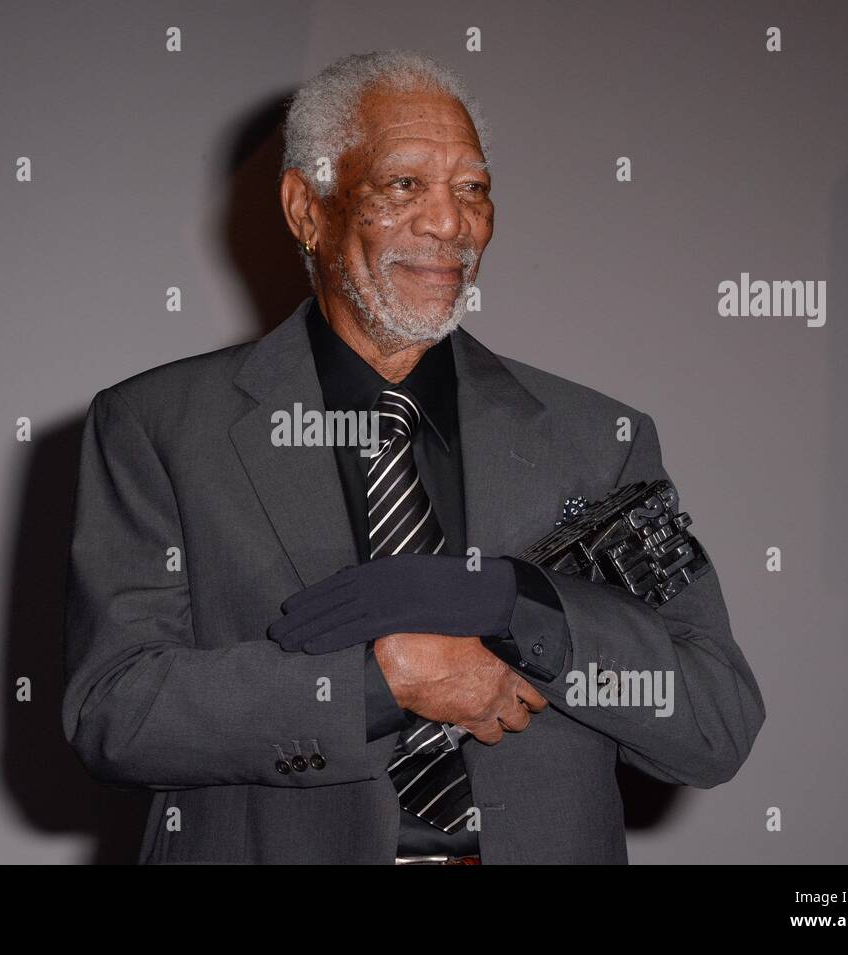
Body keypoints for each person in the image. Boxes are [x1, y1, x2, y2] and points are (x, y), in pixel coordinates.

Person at [61, 50, 764, 864]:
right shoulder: (158, 426)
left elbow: (715, 721)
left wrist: (520, 606)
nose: (449, 223)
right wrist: (376, 683)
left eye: (473, 189)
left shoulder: (598, 440)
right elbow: (113, 711)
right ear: (306, 209)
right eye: (405, 186)